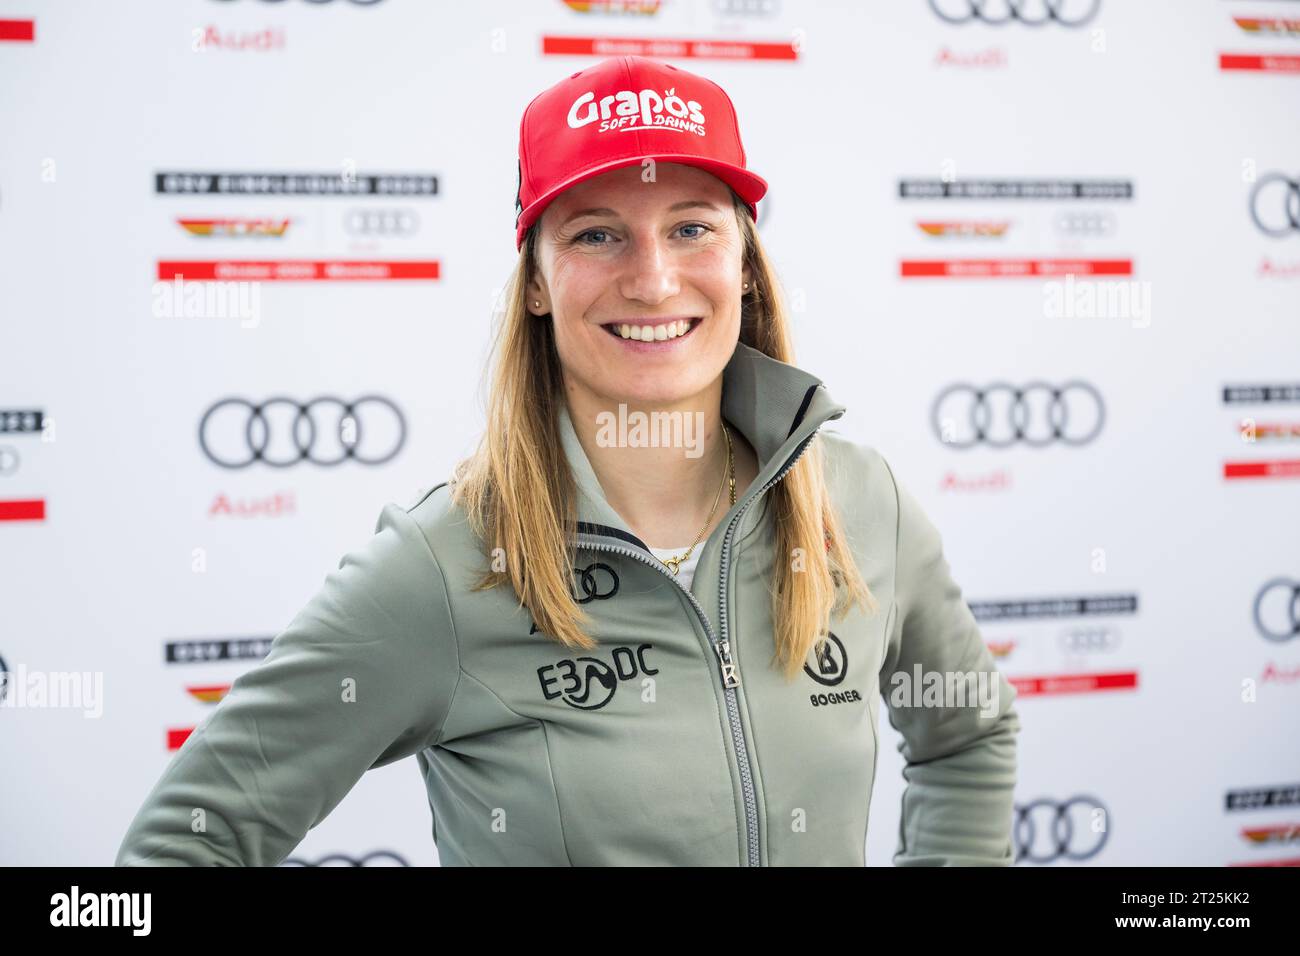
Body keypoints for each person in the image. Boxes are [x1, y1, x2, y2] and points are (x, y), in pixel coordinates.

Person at [115, 55, 1020, 867]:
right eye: (595, 233)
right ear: (538, 282)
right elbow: (187, 843)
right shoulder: (447, 568)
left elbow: (968, 737)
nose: (655, 279)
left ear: (745, 259)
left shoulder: (862, 502)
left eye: (693, 227)